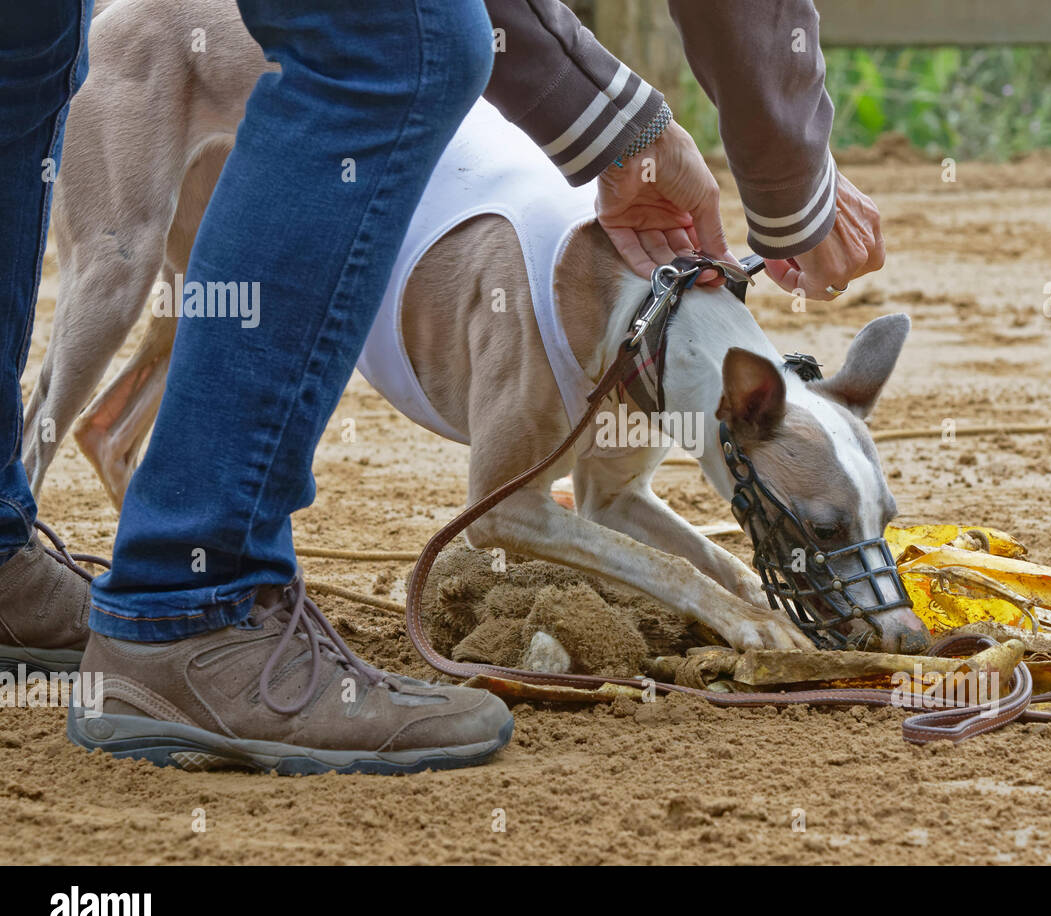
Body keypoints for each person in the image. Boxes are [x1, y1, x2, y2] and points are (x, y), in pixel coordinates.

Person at [0, 0, 885, 774]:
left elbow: (611, 504)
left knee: (20, 59)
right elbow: (502, 511)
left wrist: (739, 592)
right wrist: (786, 187)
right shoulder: (563, 332)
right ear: (746, 403)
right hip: (167, 52)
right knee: (394, 53)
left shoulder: (662, 364)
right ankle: (178, 597)